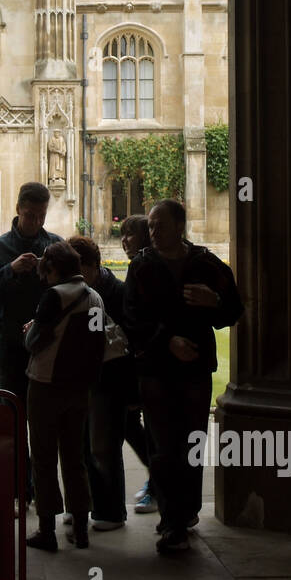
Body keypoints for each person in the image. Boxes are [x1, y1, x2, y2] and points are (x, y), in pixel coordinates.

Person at [122, 199, 244, 554]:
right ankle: (173, 520)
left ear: (180, 226)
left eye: (160, 225)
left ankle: (184, 512)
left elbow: (233, 310)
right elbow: (131, 321)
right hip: (157, 369)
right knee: (162, 446)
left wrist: (214, 302)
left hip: (194, 368)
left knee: (191, 443)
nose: (153, 231)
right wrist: (166, 341)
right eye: (151, 225)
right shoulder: (142, 267)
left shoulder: (206, 264)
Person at [0, 182, 62, 501]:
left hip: (47, 347)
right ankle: (19, 489)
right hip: (10, 344)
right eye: (30, 215)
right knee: (12, 418)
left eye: (41, 216)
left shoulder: (55, 246)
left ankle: (42, 488)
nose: (36, 222)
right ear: (17, 209)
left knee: (44, 423)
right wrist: (10, 270)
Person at [23, 241, 105, 551]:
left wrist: (30, 331)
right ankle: (81, 529)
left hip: (46, 384)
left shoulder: (54, 296)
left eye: (46, 270)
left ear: (54, 268)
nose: (44, 277)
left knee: (43, 459)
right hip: (79, 388)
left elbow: (32, 343)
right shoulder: (95, 297)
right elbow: (95, 342)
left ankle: (47, 530)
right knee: (74, 459)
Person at [68, 235, 136, 532]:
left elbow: (129, 339)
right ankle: (83, 505)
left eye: (79, 269)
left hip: (109, 380)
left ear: (93, 266)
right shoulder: (74, 292)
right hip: (80, 379)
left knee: (104, 447)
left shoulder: (117, 292)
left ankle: (110, 512)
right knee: (79, 446)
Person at [120, 214, 156, 514]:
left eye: (130, 234)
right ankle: (158, 485)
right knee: (133, 424)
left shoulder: (147, 266)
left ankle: (159, 489)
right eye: (122, 234)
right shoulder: (139, 266)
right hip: (138, 361)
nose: (124, 240)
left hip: (151, 363)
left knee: (151, 428)